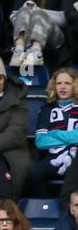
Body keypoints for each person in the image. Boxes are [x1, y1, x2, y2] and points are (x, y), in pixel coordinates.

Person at [29, 66, 78, 195]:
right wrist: (70, 137)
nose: (62, 87)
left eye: (67, 83)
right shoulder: (46, 110)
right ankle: (46, 207)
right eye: (59, 83)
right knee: (34, 173)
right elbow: (41, 141)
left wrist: (55, 133)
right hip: (53, 156)